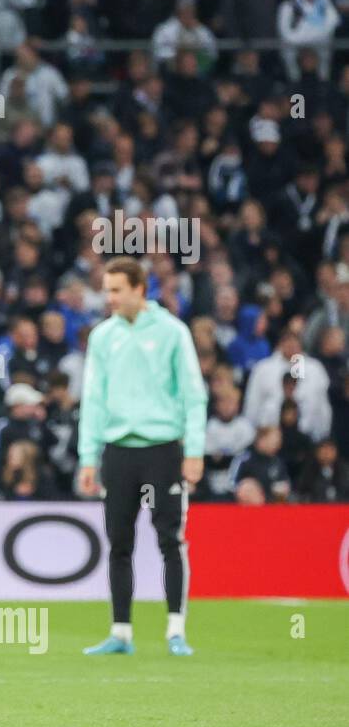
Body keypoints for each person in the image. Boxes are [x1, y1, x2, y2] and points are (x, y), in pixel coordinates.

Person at [77, 257, 207, 657]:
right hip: (118, 452)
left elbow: (193, 394)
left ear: (139, 288)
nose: (110, 298)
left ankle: (175, 630)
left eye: (116, 290)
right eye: (107, 290)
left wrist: (195, 449)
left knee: (171, 539)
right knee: (119, 543)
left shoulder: (172, 332)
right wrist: (88, 456)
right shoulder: (103, 337)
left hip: (163, 450)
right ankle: (121, 632)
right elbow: (93, 399)